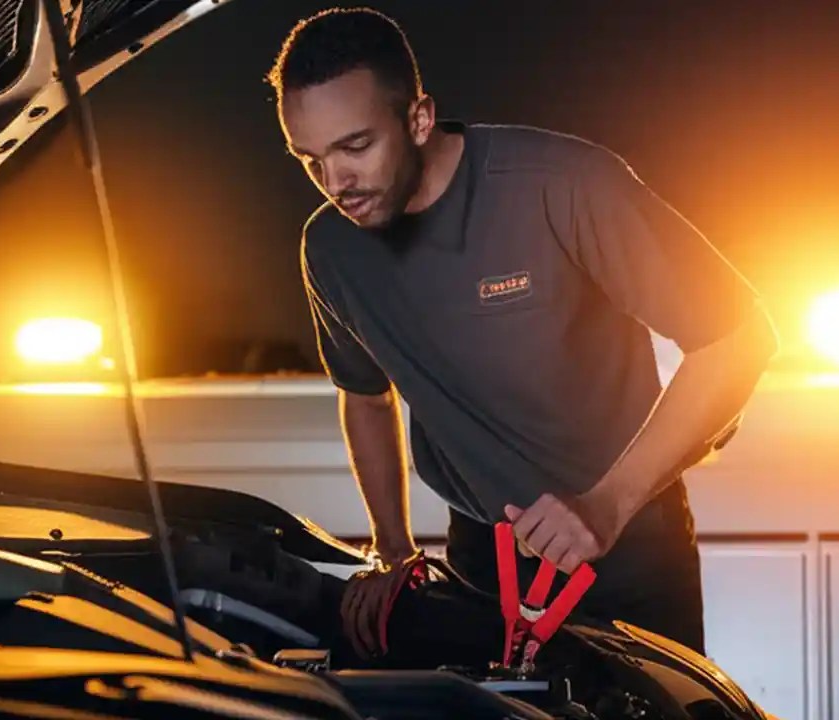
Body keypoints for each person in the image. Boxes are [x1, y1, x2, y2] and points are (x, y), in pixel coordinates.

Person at [265, 7, 778, 659]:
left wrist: (607, 507)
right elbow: (366, 396)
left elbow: (740, 338)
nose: (335, 182)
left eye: (356, 147)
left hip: (627, 548)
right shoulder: (330, 249)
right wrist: (389, 548)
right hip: (481, 561)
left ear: (419, 118)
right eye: (309, 159)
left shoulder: (563, 183)